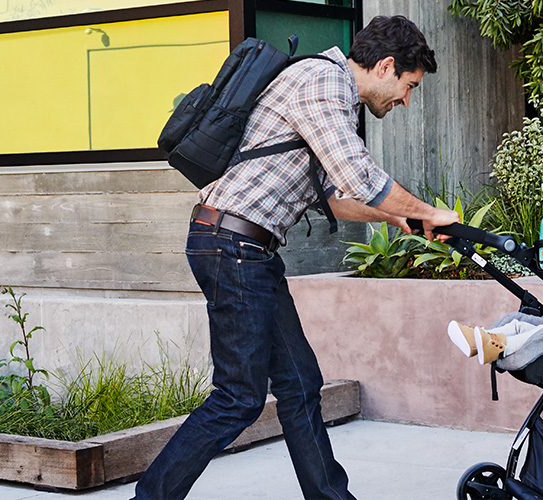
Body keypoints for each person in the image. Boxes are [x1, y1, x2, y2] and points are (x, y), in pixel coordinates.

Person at [133, 15, 459, 500]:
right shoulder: (321, 81)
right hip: (232, 246)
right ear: (386, 66)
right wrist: (429, 211)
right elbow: (358, 174)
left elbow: (335, 197)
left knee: (301, 385)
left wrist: (398, 218)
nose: (406, 100)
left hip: (250, 252)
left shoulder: (335, 96)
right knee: (239, 398)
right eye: (409, 86)